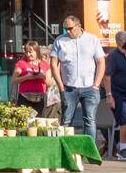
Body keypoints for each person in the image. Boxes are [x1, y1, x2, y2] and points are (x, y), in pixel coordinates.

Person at [50, 13, 105, 144]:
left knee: (90, 120)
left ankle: (89, 151)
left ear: (79, 26)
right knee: (66, 120)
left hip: (89, 87)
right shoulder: (60, 41)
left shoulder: (92, 39)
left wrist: (96, 84)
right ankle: (65, 150)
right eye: (65, 29)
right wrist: (61, 87)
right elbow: (53, 64)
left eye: (69, 28)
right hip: (69, 87)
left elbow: (101, 62)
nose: (67, 31)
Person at [103, 30, 126, 152]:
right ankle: (123, 149)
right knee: (124, 120)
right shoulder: (113, 56)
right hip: (118, 94)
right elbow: (107, 77)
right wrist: (109, 95)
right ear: (120, 43)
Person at [11, 39, 50, 110]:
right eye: (26, 52)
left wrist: (43, 77)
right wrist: (26, 77)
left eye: (30, 52)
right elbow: (14, 80)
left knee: (38, 119)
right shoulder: (21, 63)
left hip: (40, 97)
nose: (28, 54)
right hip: (24, 97)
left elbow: (49, 83)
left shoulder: (44, 64)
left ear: (36, 52)